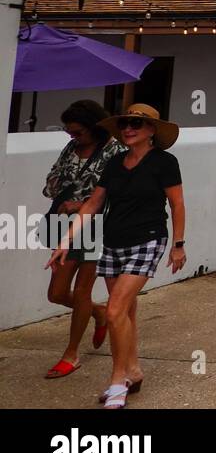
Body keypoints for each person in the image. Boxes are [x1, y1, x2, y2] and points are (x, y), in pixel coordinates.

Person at [48, 104, 186, 409]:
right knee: (125, 314)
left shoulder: (164, 162)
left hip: (147, 240)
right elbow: (93, 205)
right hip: (112, 242)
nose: (128, 128)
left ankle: (117, 381)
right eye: (124, 123)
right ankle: (133, 370)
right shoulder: (115, 163)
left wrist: (178, 244)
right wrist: (66, 241)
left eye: (136, 124)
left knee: (113, 311)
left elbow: (176, 205)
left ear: (151, 131)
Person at [40, 100, 124, 380]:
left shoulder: (114, 150)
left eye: (77, 132)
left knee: (83, 290)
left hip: (95, 226)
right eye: (69, 132)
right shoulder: (71, 148)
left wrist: (84, 203)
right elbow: (51, 184)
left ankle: (71, 354)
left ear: (93, 127)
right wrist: (62, 190)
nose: (72, 136)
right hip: (64, 226)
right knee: (56, 293)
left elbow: (119, 190)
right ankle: (98, 312)